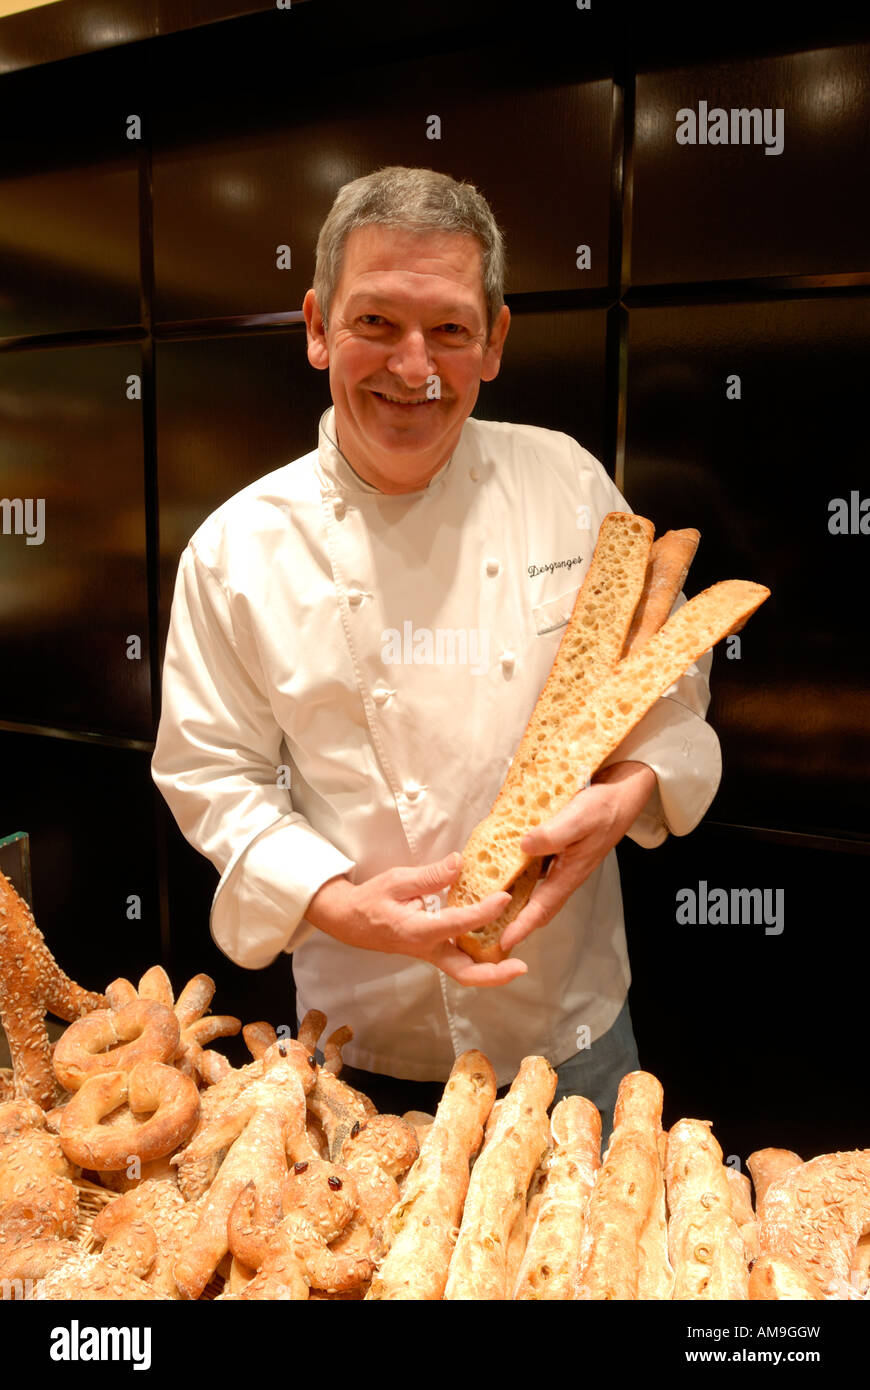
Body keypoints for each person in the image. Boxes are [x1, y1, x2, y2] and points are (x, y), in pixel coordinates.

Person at [151, 166, 720, 1141]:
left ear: (494, 341)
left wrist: (626, 792)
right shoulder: (236, 551)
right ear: (318, 325)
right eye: (376, 322)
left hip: (570, 1033)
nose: (414, 367)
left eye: (451, 329)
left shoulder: (568, 482)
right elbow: (213, 773)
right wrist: (335, 902)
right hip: (356, 1048)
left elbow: (661, 679)